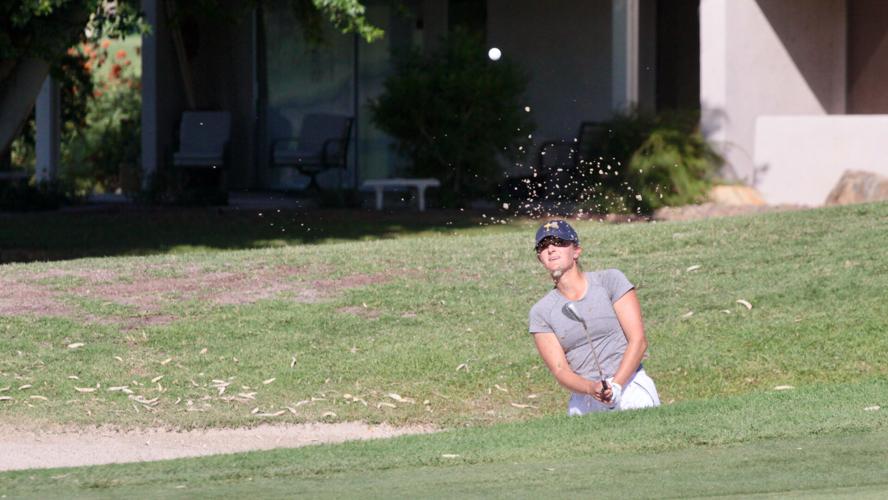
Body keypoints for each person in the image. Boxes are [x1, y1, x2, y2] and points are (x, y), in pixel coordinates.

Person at [528, 219, 660, 415]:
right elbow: (560, 371)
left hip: (631, 386)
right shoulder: (541, 312)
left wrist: (616, 385)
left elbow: (638, 341)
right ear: (540, 257)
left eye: (559, 242)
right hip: (585, 398)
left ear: (576, 251)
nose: (551, 249)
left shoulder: (610, 281)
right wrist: (591, 388)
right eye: (544, 246)